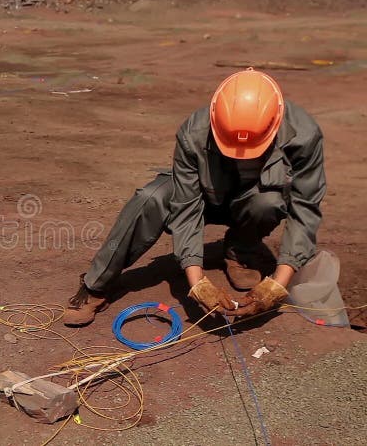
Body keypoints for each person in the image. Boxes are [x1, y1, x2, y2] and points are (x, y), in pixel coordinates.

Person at [64, 68, 326, 326]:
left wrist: (277, 287)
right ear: (215, 119)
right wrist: (197, 283)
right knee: (151, 197)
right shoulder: (193, 131)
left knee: (268, 201)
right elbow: (186, 206)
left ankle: (240, 251)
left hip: (252, 203)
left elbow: (305, 209)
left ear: (276, 122)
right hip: (205, 196)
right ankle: (96, 285)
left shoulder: (304, 136)